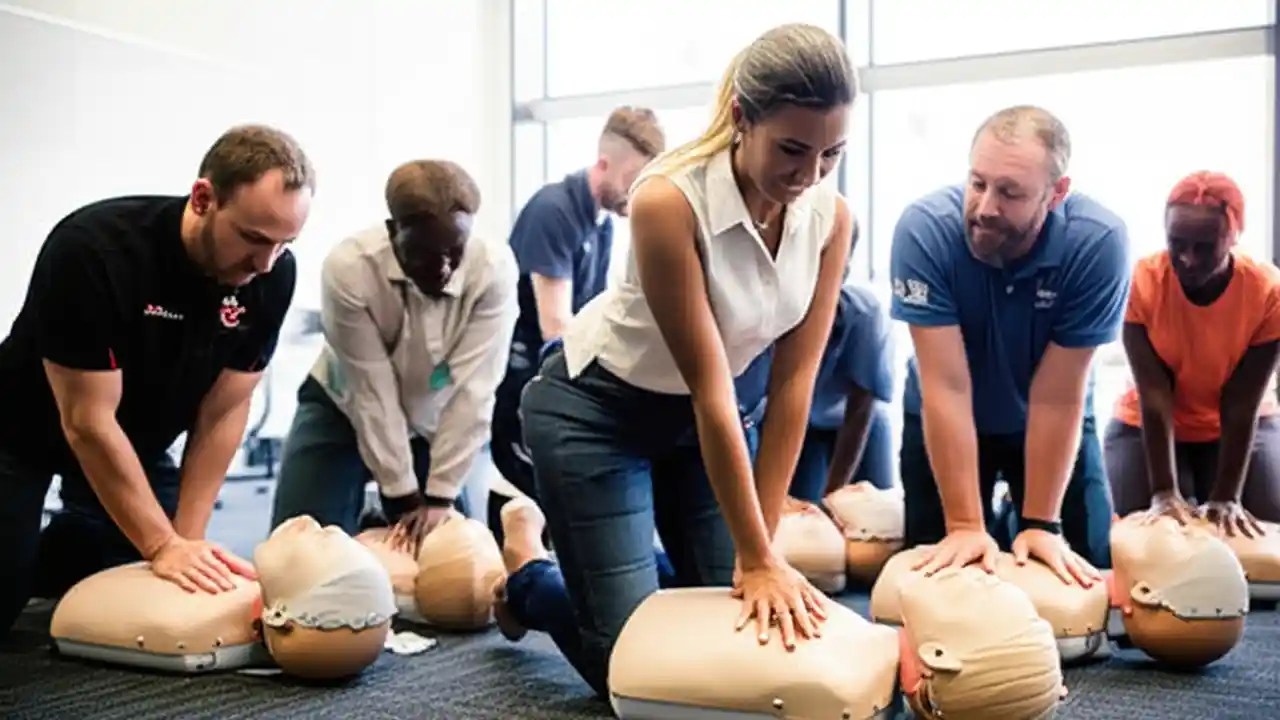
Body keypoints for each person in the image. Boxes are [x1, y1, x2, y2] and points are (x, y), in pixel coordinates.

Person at [495, 23, 859, 698]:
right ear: (742, 118)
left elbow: (793, 384)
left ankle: (618, 567)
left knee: (742, 624)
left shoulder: (831, 218)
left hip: (700, 427)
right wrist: (755, 556)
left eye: (831, 154)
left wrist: (762, 551)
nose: (809, 176)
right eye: (792, 149)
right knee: (637, 671)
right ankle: (528, 572)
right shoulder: (666, 199)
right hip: (595, 413)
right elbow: (711, 388)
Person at [0, 124, 312, 634]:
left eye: (284, 244)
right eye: (253, 238)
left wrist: (185, 540)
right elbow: (87, 422)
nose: (265, 263)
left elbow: (225, 410)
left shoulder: (273, 273)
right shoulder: (94, 249)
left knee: (145, 582)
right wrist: (162, 544)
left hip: (137, 441)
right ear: (203, 198)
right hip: (22, 432)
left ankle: (70, 544)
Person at [889, 105, 1129, 587]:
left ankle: (1014, 524)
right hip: (945, 410)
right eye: (977, 183)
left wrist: (1041, 524)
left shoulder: (1098, 242)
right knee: (942, 580)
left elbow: (1056, 395)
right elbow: (946, 387)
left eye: (1010, 193)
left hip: (1051, 413)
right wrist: (964, 526)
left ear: (1056, 193)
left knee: (1080, 571)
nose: (985, 208)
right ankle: (988, 525)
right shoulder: (924, 230)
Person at [270, 160, 518, 550]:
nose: (443, 268)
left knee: (458, 554)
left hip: (437, 414)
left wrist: (440, 495)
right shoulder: (349, 268)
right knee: (299, 550)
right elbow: (371, 391)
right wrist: (402, 496)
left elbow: (474, 390)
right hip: (343, 405)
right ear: (392, 231)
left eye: (454, 251)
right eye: (425, 253)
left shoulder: (493, 270)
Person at [489, 107, 665, 523]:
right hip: (524, 388)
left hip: (557, 382)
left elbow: (595, 314)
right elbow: (556, 326)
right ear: (603, 164)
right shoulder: (554, 210)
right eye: (633, 179)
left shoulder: (602, 224)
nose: (637, 192)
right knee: (547, 508)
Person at [1106, 171, 1280, 535]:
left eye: (1204, 246)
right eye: (1177, 243)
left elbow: (1241, 401)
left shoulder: (1267, 291)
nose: (1188, 258)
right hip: (1147, 421)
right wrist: (1164, 492)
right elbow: (1155, 395)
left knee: (1263, 519)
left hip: (1237, 422)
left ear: (1233, 236)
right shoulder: (1141, 282)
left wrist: (1226, 497)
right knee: (1148, 527)